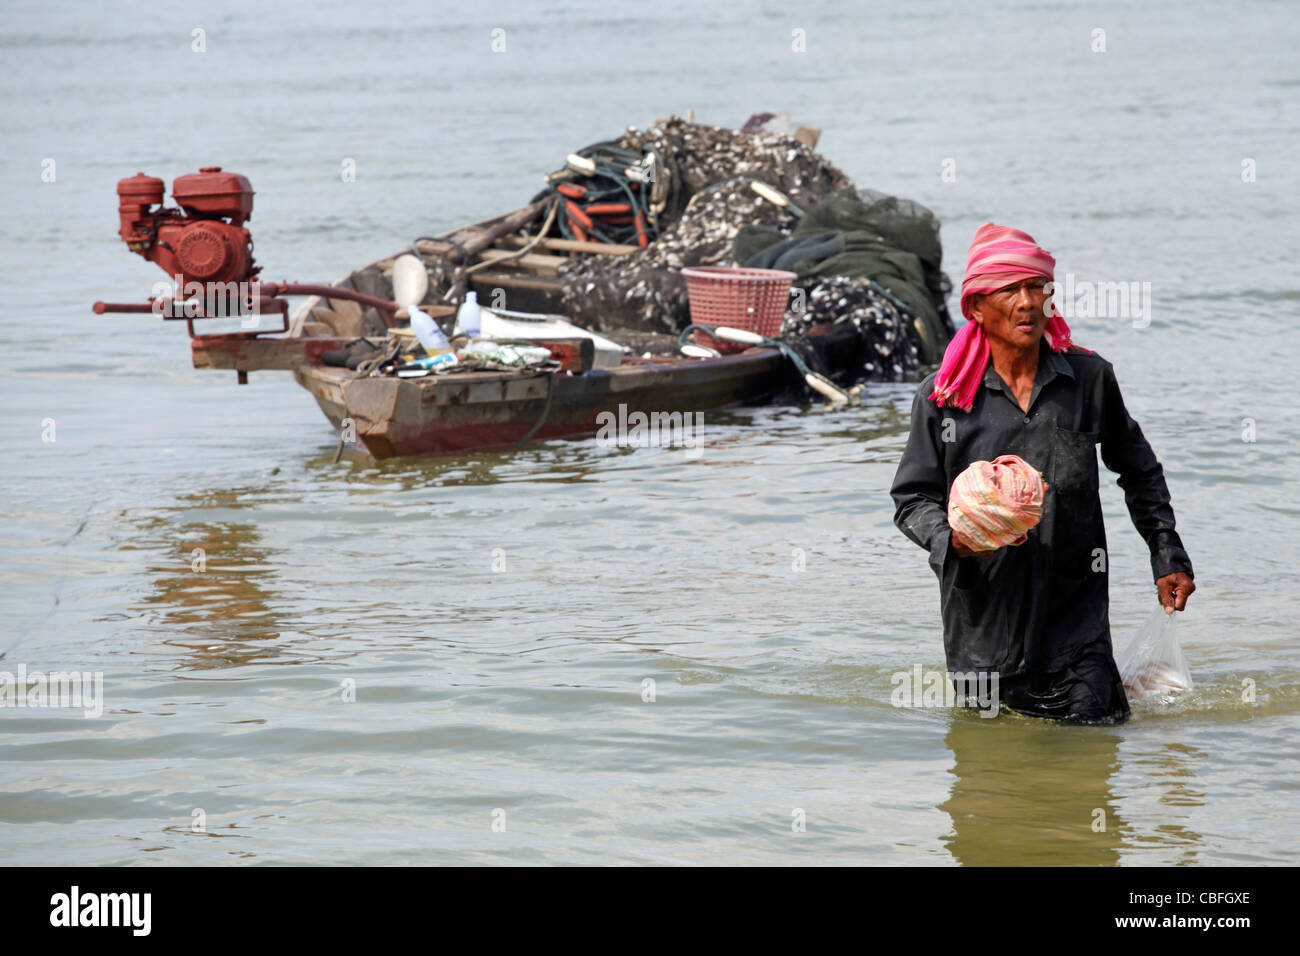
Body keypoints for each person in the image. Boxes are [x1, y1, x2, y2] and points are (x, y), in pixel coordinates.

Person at [889, 224, 1195, 724]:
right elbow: (913, 499)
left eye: (1037, 288)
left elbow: (1138, 469)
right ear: (975, 308)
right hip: (982, 622)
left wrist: (1167, 553)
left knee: (1091, 749)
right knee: (988, 775)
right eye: (1009, 289)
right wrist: (956, 541)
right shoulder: (943, 399)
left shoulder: (1089, 381)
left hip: (1076, 619)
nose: (1027, 302)